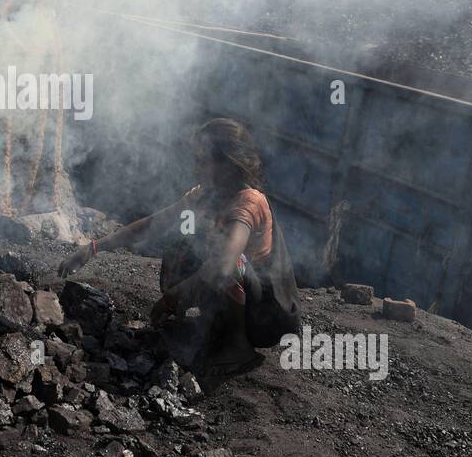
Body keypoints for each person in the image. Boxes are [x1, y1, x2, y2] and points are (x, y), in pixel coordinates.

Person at [58, 118, 300, 381]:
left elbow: (224, 265)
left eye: (203, 160)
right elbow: (153, 224)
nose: (197, 167)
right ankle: (214, 328)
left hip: (266, 314)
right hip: (242, 296)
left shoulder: (249, 202)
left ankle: (238, 349)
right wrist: (93, 248)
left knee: (228, 262)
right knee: (182, 245)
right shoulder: (206, 194)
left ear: (228, 163)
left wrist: (172, 298)